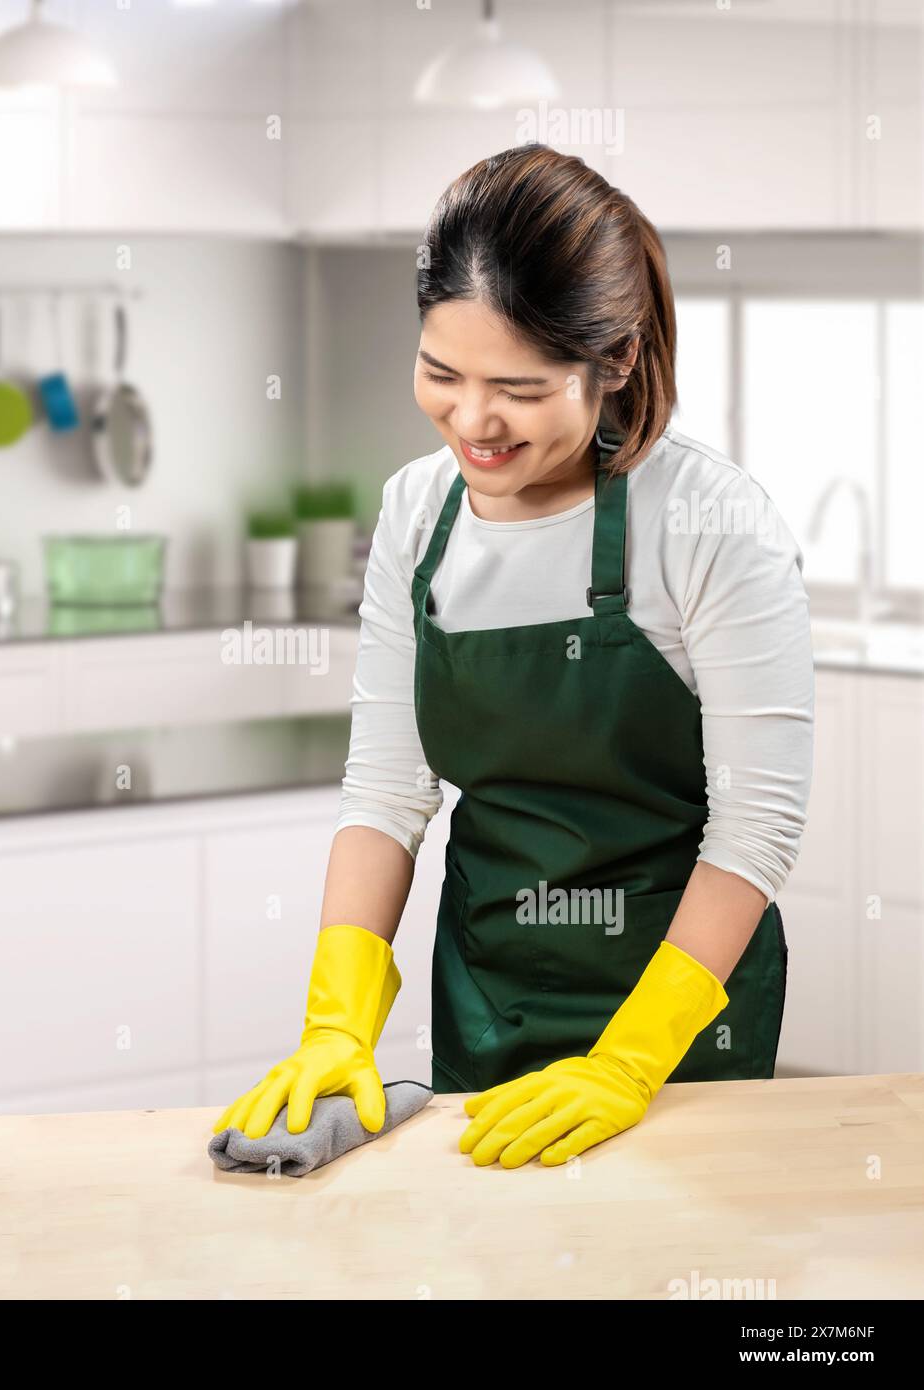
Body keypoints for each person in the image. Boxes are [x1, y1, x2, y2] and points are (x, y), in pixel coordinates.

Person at [213, 144, 814, 1168]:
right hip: (487, 989)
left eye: (519, 388)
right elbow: (385, 790)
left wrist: (628, 1062)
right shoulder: (416, 512)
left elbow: (755, 830)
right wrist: (335, 1023)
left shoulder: (709, 521)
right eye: (440, 373)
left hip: (677, 1023)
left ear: (614, 359)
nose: (471, 421)